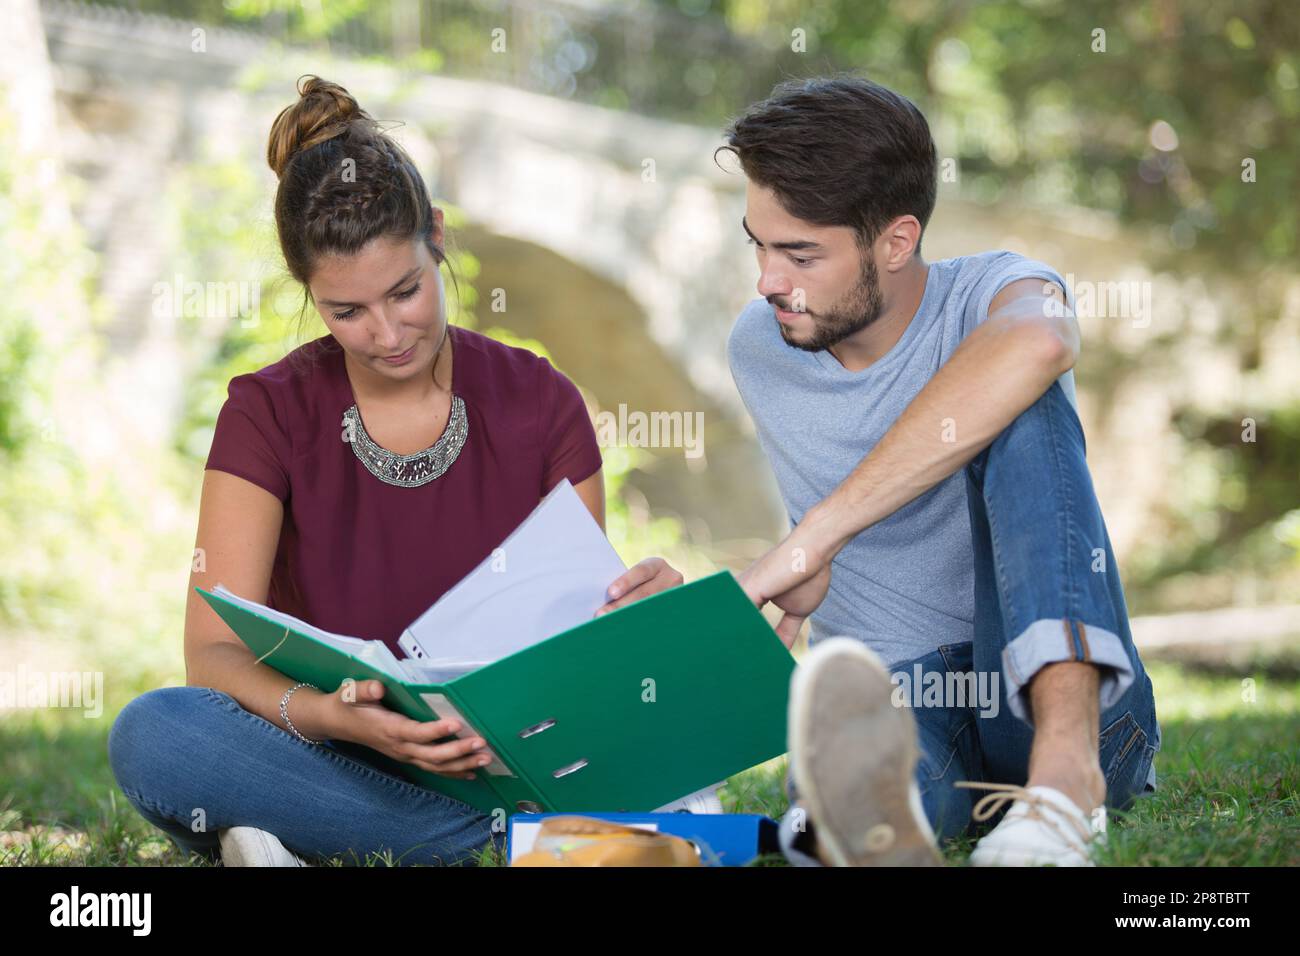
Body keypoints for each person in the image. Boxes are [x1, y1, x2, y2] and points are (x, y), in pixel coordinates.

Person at [107, 76, 683, 867]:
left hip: (499, 767)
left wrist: (640, 624)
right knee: (157, 732)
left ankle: (316, 848)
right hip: (326, 757)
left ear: (436, 236)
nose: (386, 334)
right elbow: (213, 654)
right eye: (347, 312)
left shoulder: (539, 403)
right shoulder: (266, 412)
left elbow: (571, 647)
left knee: (656, 743)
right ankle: (505, 850)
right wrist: (340, 718)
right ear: (310, 294)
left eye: (406, 291)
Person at [720, 76, 1162, 866]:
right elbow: (819, 524)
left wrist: (818, 533)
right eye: (757, 243)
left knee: (1025, 399)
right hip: (891, 698)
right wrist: (789, 561)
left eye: (799, 253)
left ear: (895, 241)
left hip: (1040, 687)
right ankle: (875, 823)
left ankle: (1066, 783)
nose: (767, 281)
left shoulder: (993, 292)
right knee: (840, 822)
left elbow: (1041, 343)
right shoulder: (761, 345)